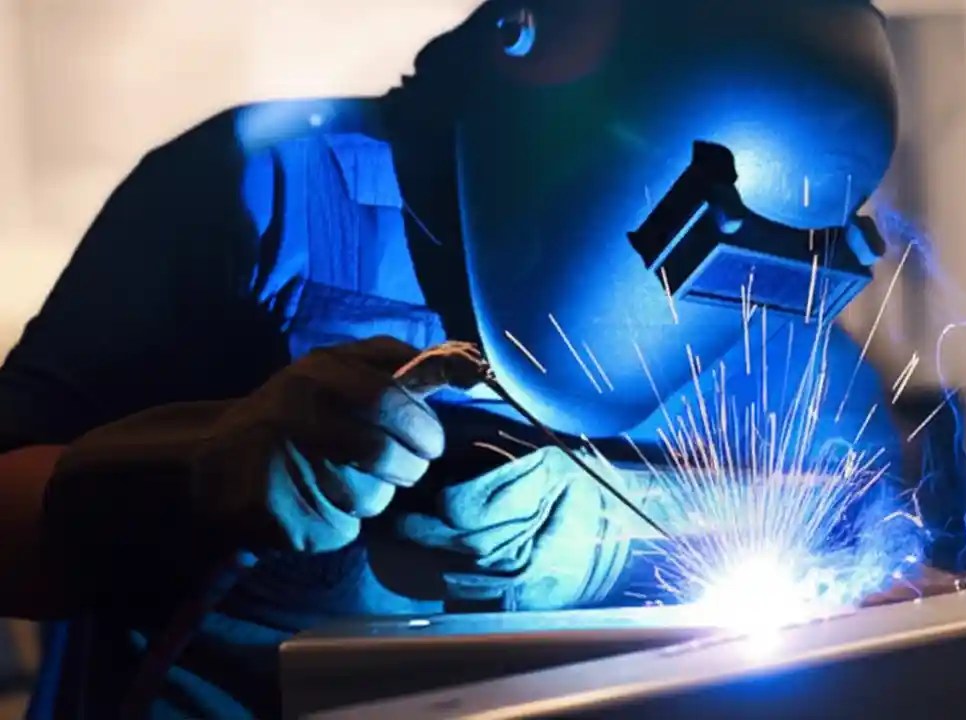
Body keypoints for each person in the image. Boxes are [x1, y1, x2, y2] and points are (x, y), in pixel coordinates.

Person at [0, 1, 911, 717]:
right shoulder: (271, 193)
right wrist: (192, 478)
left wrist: (612, 541)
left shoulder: (784, 309)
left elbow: (887, 585)